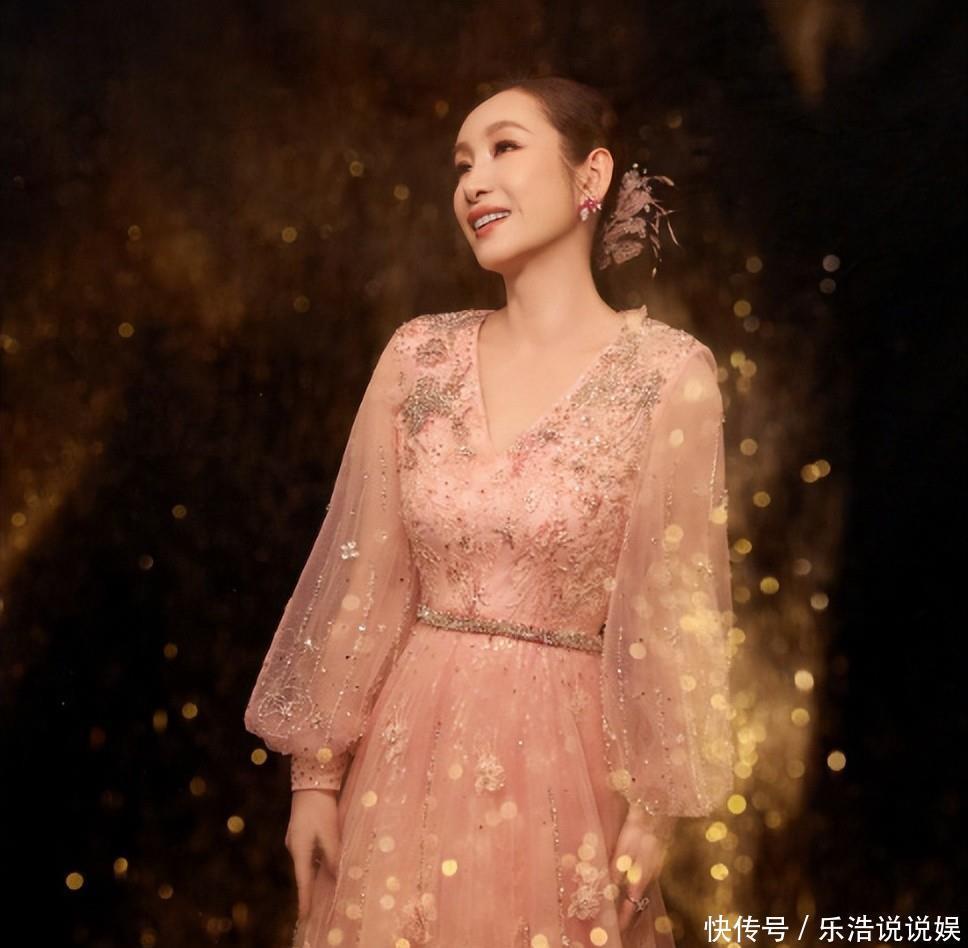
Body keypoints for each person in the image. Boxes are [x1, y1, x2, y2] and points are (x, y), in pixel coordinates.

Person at [244, 75, 735, 948]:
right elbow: (364, 578)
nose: (473, 181)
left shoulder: (668, 376)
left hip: (566, 770)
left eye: (504, 147)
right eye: (462, 163)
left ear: (591, 175)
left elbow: (673, 611)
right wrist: (314, 783)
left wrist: (654, 813)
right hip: (404, 763)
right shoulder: (418, 357)